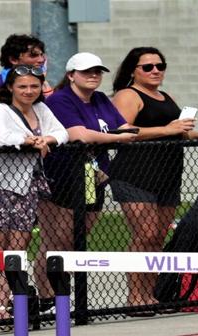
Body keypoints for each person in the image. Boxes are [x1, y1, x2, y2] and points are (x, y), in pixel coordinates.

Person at [109, 47, 198, 311]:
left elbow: (178, 132)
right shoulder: (128, 95)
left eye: (160, 66)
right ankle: (135, 297)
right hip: (134, 174)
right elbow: (122, 131)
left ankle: (151, 295)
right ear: (133, 70)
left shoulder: (166, 96)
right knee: (145, 234)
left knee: (157, 237)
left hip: (167, 174)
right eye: (148, 67)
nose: (155, 71)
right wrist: (167, 129)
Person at [40, 53, 133, 303]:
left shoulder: (100, 99)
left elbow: (126, 128)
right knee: (57, 240)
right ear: (71, 75)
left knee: (77, 239)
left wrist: (120, 135)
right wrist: (117, 138)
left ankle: (62, 296)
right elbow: (79, 135)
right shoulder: (61, 100)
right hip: (63, 176)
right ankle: (48, 298)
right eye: (86, 71)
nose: (93, 75)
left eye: (97, 71)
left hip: (95, 177)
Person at [0, 67, 64, 317]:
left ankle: (0, 306)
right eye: (22, 86)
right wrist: (30, 140)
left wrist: (46, 140)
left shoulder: (41, 109)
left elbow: (62, 131)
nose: (29, 91)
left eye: (34, 86)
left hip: (26, 185)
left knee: (17, 247)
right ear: (10, 88)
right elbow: (1, 137)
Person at [0, 34, 50, 103]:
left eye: (41, 55)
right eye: (33, 55)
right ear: (13, 60)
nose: (41, 60)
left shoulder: (42, 82)